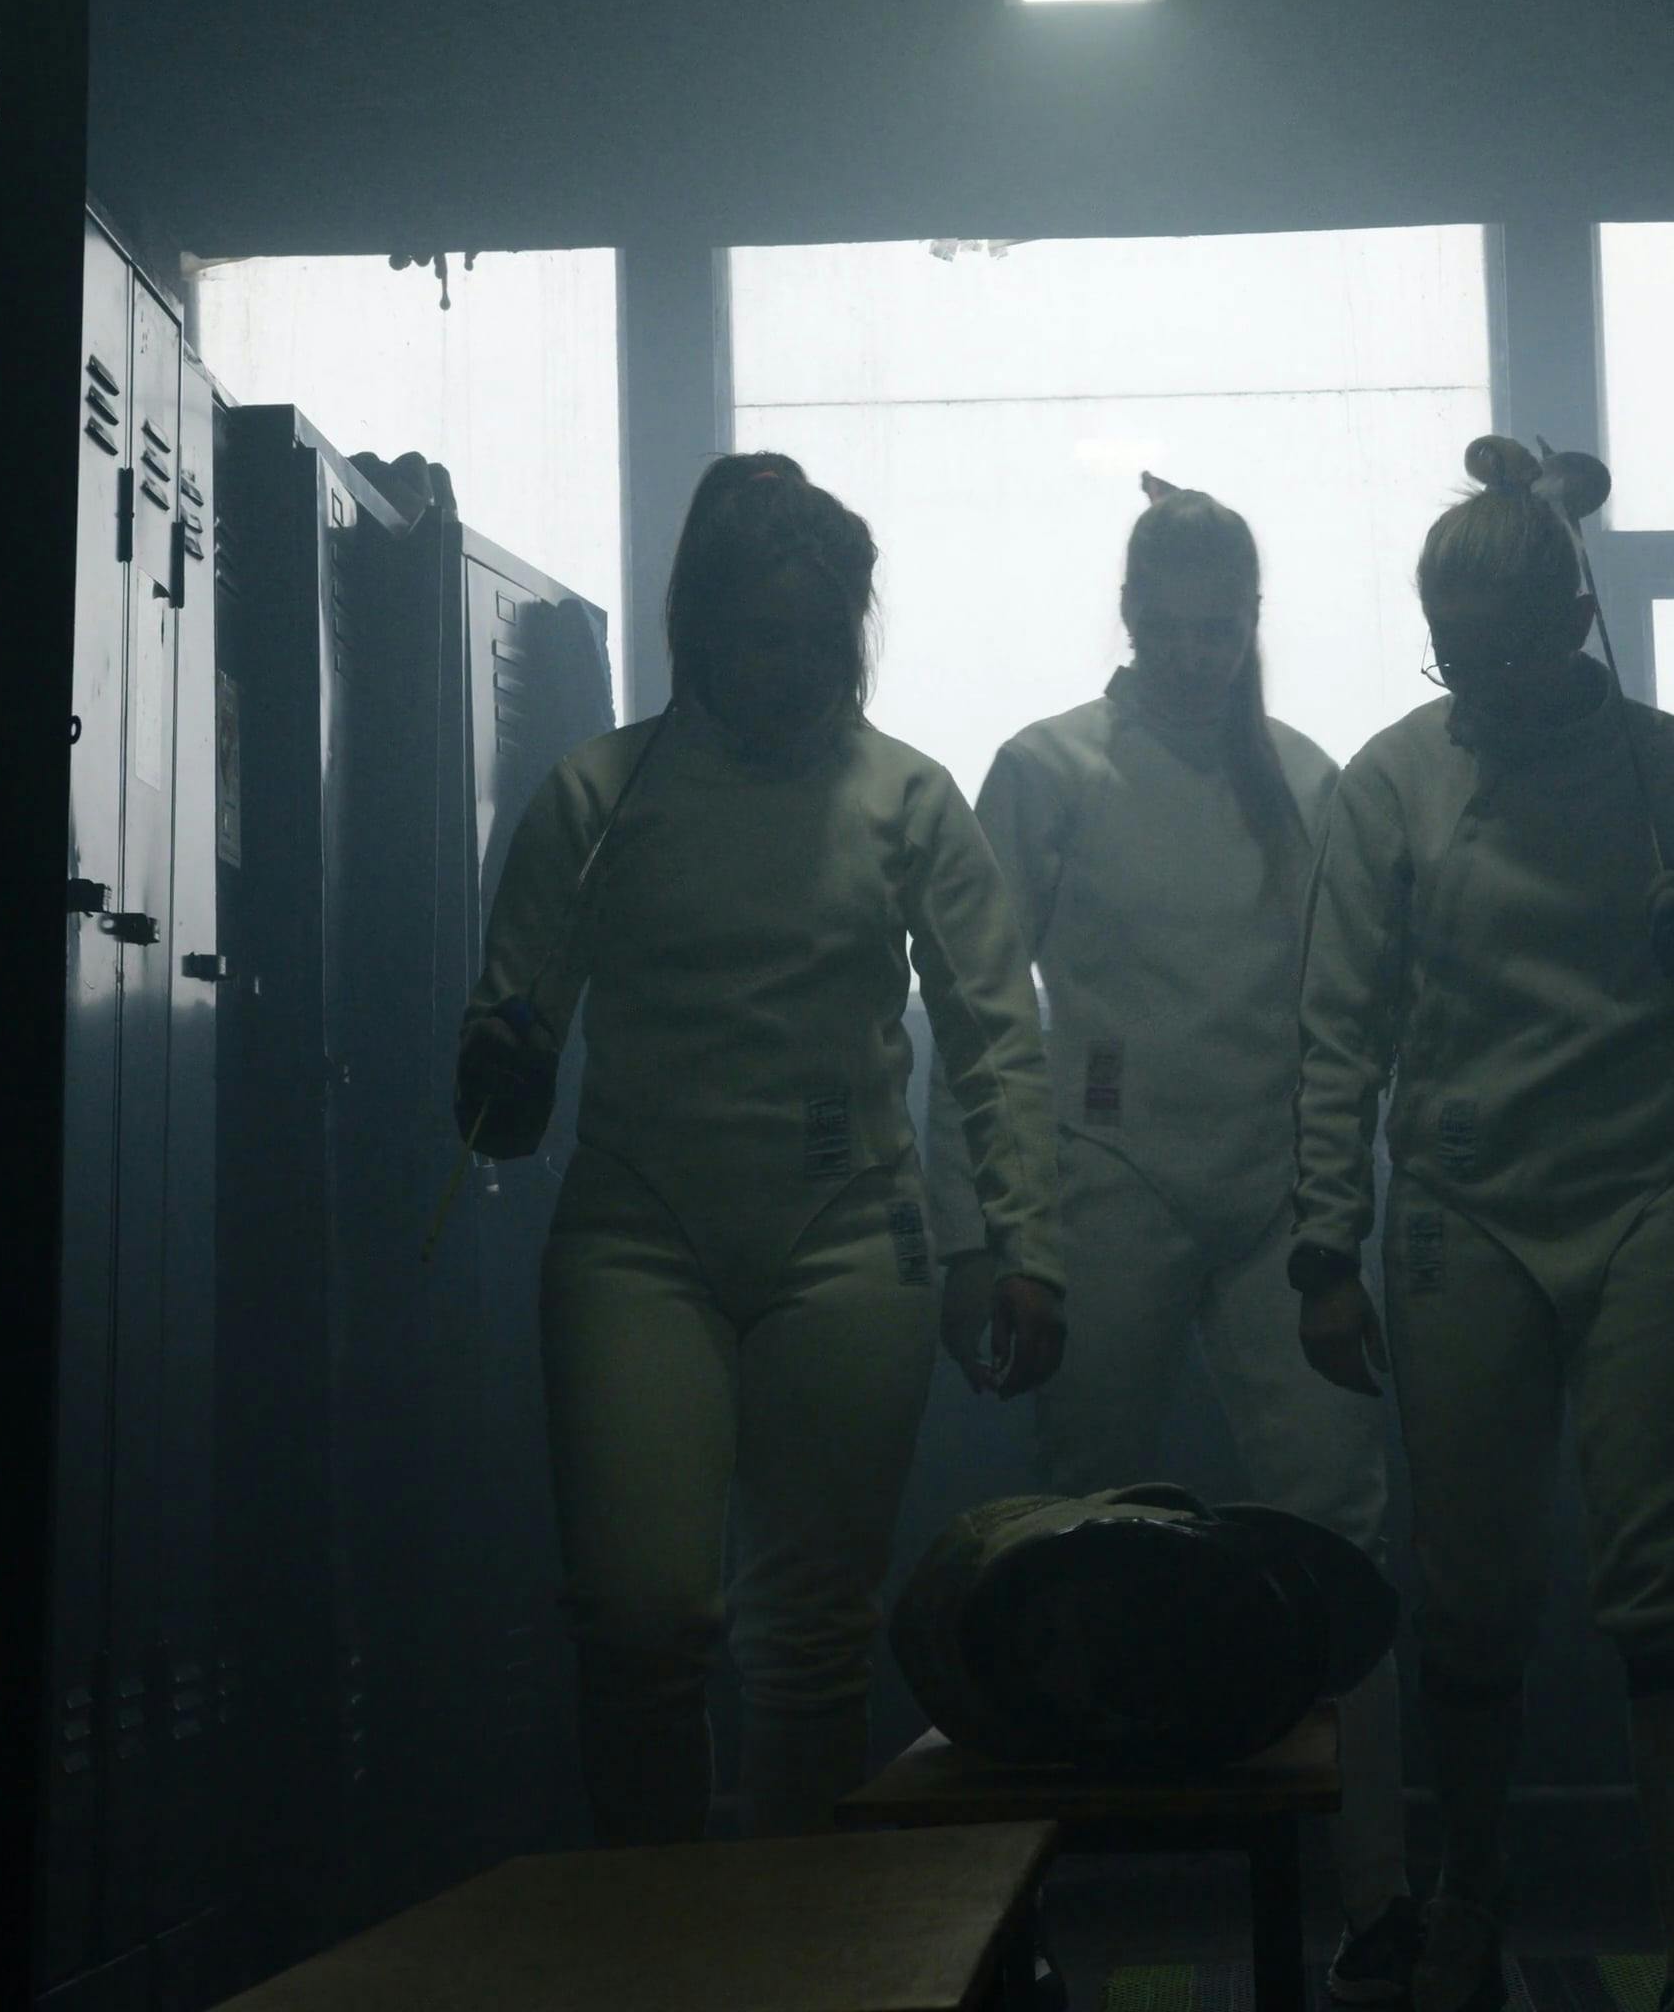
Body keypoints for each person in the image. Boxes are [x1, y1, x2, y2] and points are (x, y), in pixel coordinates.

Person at [456, 452, 1071, 1844]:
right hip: (636, 1235)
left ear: (852, 632)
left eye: (816, 636)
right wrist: (494, 1069)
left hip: (850, 1239)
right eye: (759, 634)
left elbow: (995, 1038)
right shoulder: (599, 796)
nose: (790, 667)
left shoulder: (907, 800)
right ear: (701, 630)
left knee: (808, 1638)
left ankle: (799, 1968)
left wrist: (1025, 1248)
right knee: (641, 1621)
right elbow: (505, 1085)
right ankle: (660, 1955)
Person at [1290, 437, 1674, 2012]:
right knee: (1466, 1596)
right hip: (1462, 1206)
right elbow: (1336, 1026)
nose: (1474, 681)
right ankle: (1468, 1903)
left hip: (1648, 1192)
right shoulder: (1396, 781)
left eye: (1501, 648)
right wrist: (1325, 1245)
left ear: (1572, 629)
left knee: (1664, 1593)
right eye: (1449, 652)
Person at [921, 477, 1419, 2000]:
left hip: (1274, 1186)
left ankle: (1378, 1895)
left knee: (1342, 1520)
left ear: (1252, 627)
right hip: (1108, 1180)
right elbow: (979, 1012)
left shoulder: (1307, 775)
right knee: (1073, 1540)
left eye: (1226, 629)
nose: (1201, 655)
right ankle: (1041, 1908)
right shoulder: (1051, 767)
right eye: (1175, 628)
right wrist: (979, 1234)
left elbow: (1348, 1021)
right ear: (1130, 620)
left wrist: (1336, 1223)